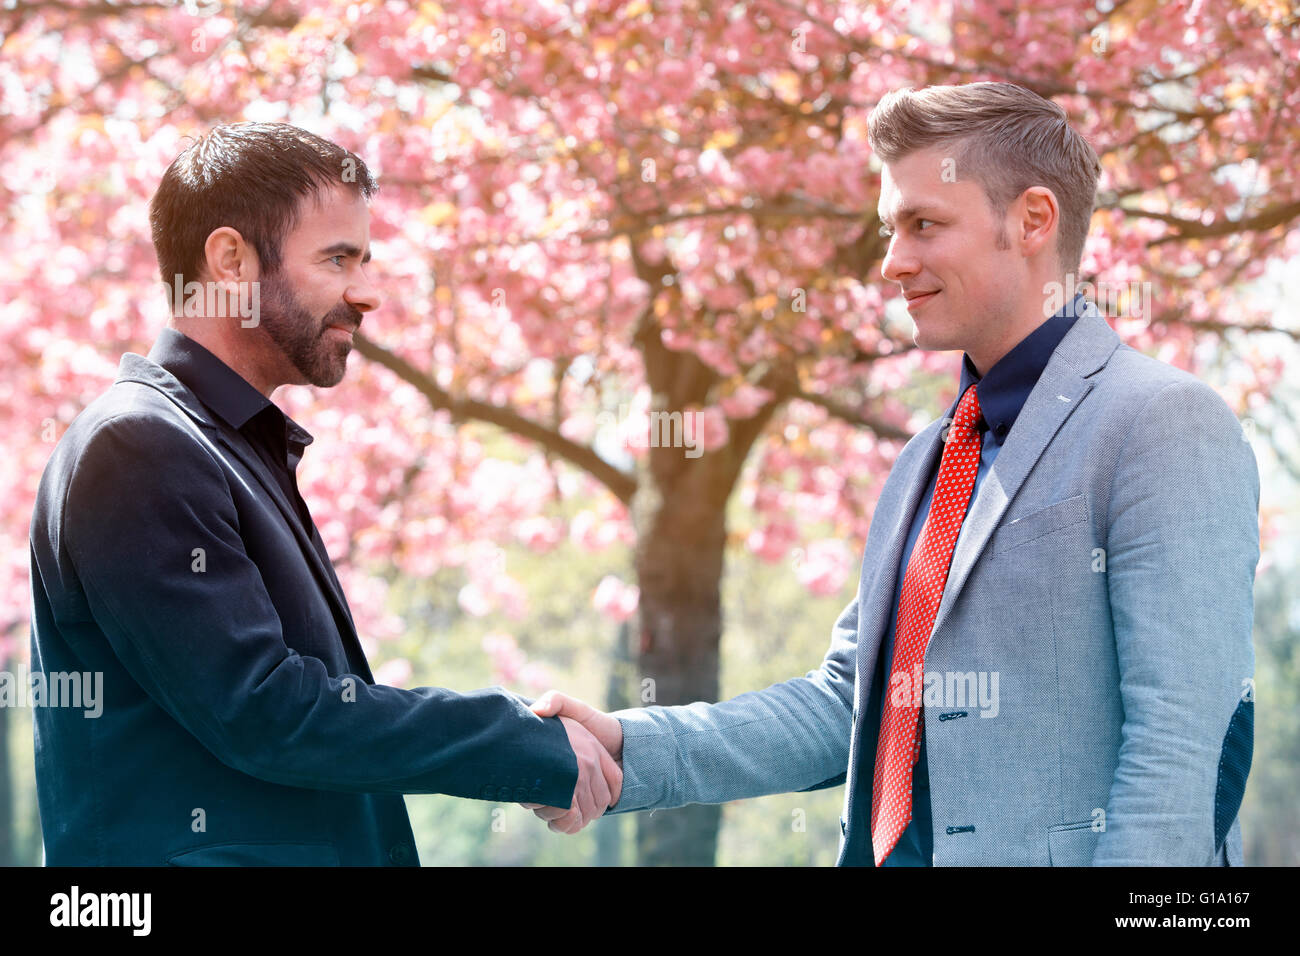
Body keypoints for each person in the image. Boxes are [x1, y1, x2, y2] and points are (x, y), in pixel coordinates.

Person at [525, 82, 1258, 865]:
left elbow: (1183, 750)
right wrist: (630, 745)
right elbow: (847, 706)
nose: (892, 262)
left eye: (923, 225)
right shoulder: (926, 462)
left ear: (1033, 220)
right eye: (889, 228)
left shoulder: (1164, 423)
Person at [28, 122, 620, 866]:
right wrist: (518, 741)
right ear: (230, 260)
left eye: (366, 260)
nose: (366, 293)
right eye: (338, 259)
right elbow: (265, 712)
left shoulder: (224, 443)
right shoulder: (139, 445)